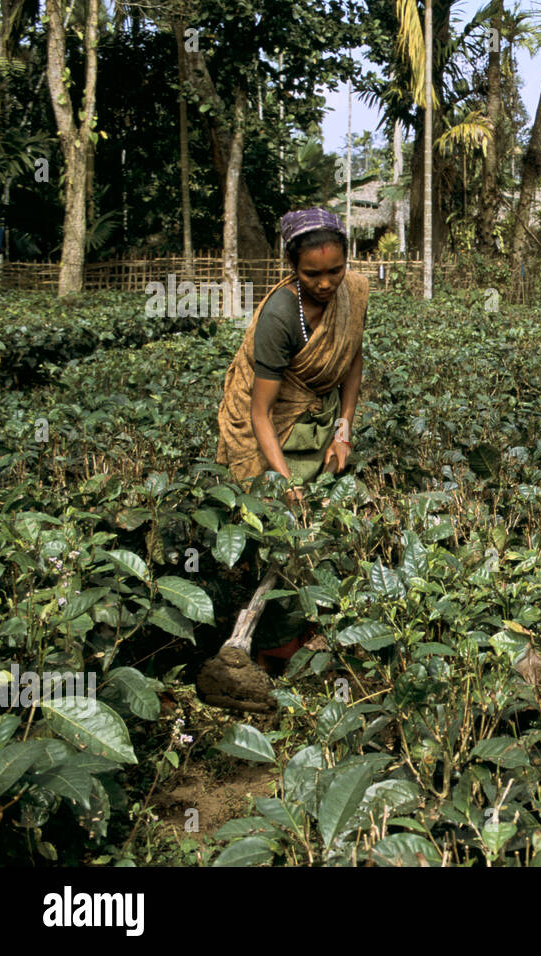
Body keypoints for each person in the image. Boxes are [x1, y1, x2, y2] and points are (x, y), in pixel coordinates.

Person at [215, 208, 368, 668]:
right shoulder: (280, 316)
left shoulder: (354, 293)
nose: (326, 283)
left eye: (335, 270)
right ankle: (270, 648)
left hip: (321, 423)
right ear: (291, 267)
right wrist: (284, 481)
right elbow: (258, 412)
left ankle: (301, 629)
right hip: (277, 428)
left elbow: (352, 358)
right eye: (312, 274)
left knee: (326, 530)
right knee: (288, 537)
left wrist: (344, 428)